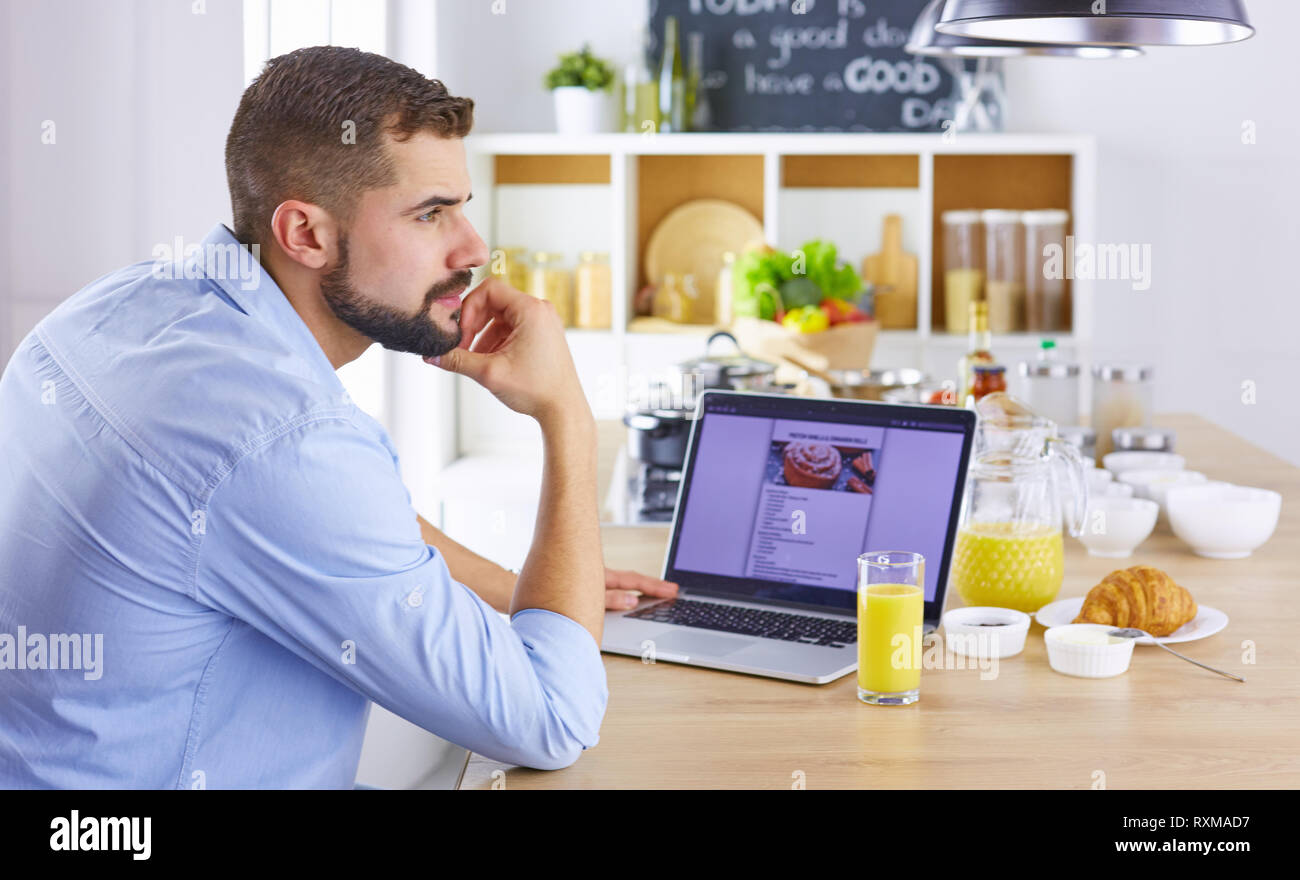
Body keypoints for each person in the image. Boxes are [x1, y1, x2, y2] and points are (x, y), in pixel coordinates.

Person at [0, 45, 676, 789]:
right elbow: (552, 719)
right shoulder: (285, 440)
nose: (475, 250)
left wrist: (523, 587)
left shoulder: (114, 309)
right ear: (307, 235)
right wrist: (566, 415)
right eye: (431, 214)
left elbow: (303, 512)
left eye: (462, 209)